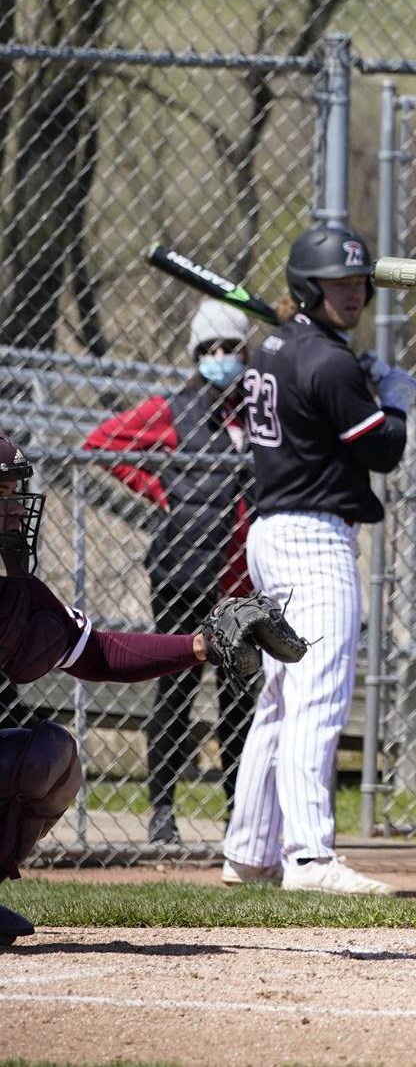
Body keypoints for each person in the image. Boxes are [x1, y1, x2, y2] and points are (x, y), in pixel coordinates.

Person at [0, 430, 304, 944]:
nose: (13, 511)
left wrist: (201, 646)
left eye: (12, 495)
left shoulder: (17, 595)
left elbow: (100, 654)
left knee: (48, 756)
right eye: (1, 495)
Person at [222, 225, 416, 897]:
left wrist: (355, 375)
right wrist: (394, 397)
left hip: (273, 528)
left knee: (280, 697)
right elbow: (383, 450)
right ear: (308, 287)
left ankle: (249, 852)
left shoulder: (273, 346)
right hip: (311, 538)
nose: (354, 294)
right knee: (315, 695)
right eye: (338, 283)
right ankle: (308, 858)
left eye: (359, 282)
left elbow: (320, 398)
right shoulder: (325, 360)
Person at [84, 299, 258, 846]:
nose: (221, 357)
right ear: (196, 356)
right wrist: (163, 491)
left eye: (230, 347)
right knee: (177, 693)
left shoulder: (260, 413)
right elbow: (101, 444)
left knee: (239, 699)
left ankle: (239, 816)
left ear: (247, 353)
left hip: (244, 581)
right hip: (184, 571)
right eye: (209, 349)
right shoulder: (174, 409)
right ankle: (162, 810)